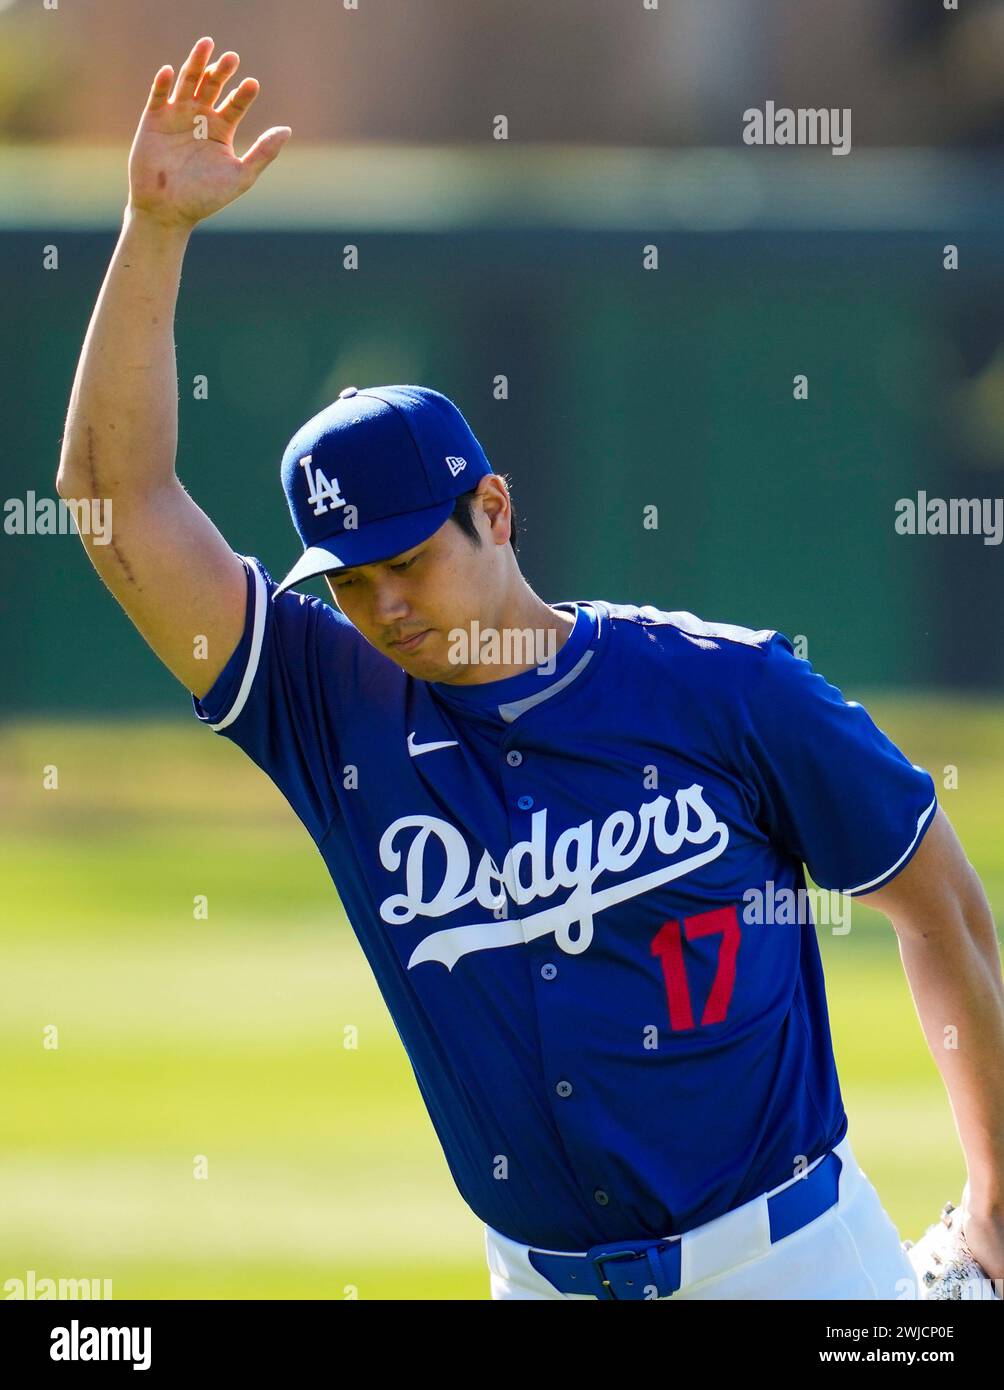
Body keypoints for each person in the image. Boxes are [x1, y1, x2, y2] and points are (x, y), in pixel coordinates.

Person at [56, 37, 1004, 1300]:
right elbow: (114, 500)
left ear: (492, 512)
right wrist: (154, 228)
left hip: (789, 1266)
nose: (383, 605)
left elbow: (936, 903)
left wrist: (993, 1203)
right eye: (348, 579)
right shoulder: (326, 708)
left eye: (407, 560)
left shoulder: (720, 688)